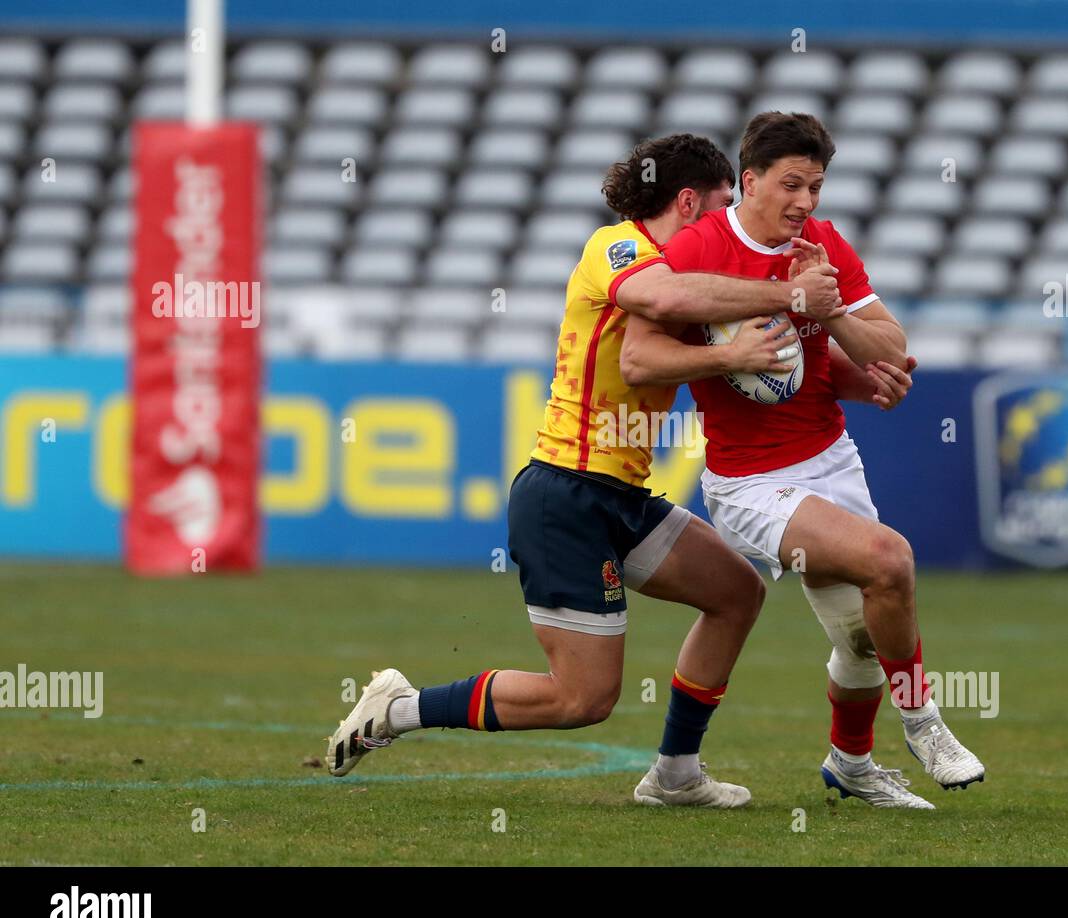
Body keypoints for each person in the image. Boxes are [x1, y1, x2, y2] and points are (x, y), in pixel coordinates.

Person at [325, 133, 846, 809]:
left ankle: (676, 773)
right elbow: (660, 311)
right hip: (566, 494)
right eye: (721, 206)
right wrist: (780, 296)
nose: (728, 222)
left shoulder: (700, 286)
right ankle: (400, 709)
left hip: (624, 496)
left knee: (737, 592)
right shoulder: (619, 247)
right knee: (583, 699)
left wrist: (853, 369)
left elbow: (689, 343)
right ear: (688, 202)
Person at [620, 112, 986, 809]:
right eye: (792, 185)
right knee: (891, 560)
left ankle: (850, 764)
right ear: (749, 181)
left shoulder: (820, 242)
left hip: (832, 461)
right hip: (751, 483)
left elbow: (890, 347)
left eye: (816, 187)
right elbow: (639, 359)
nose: (806, 203)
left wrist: (834, 310)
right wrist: (731, 353)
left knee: (864, 638)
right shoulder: (698, 248)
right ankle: (923, 720)